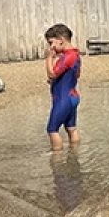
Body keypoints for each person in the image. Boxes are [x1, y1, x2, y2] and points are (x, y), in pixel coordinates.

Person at [44, 23, 81, 151]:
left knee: (52, 129)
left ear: (61, 40)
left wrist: (48, 58)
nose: (50, 47)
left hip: (63, 98)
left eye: (51, 43)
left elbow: (52, 73)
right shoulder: (75, 55)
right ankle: (74, 154)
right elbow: (75, 75)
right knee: (71, 128)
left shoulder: (68, 56)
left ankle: (57, 160)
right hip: (73, 96)